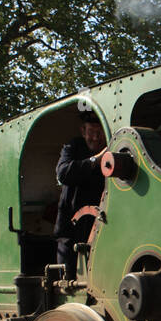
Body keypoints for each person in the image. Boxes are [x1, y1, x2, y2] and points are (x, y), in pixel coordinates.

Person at [54, 114, 107, 278]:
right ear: (83, 131)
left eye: (100, 132)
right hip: (70, 227)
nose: (96, 137)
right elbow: (63, 173)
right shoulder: (73, 147)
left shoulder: (111, 151)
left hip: (100, 226)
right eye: (92, 131)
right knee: (67, 278)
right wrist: (95, 161)